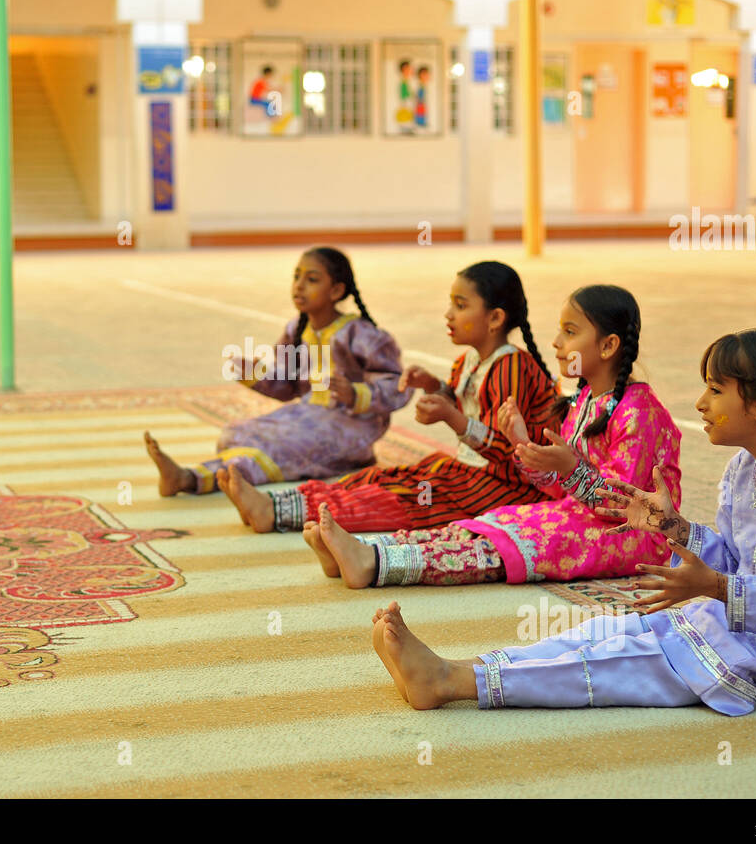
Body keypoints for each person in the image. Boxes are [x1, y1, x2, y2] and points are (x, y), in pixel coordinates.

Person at [370, 329, 756, 716]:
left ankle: (453, 682)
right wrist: (674, 527)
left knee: (627, 662)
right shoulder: (743, 468)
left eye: (716, 391)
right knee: (606, 630)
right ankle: (471, 666)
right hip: (744, 618)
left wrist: (716, 587)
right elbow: (734, 556)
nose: (701, 404)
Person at [311, 285, 680, 588]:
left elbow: (629, 507)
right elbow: (556, 488)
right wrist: (525, 447)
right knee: (493, 523)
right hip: (576, 514)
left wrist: (570, 469)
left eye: (570, 332)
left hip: (633, 536)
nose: (555, 343)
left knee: (513, 543)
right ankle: (364, 548)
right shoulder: (583, 400)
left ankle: (374, 564)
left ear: (608, 345)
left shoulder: (639, 412)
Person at [223, 261, 557, 538]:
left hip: (505, 486)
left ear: (495, 318)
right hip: (471, 469)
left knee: (408, 499)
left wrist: (450, 417)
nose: (448, 315)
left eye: (460, 305)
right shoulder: (468, 361)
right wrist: (433, 386)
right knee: (382, 476)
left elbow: (508, 449)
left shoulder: (512, 366)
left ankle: (279, 513)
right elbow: (465, 403)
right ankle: (281, 502)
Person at [145, 246, 411, 500]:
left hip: (351, 425)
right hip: (309, 414)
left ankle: (191, 479)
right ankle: (203, 475)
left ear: (337, 290)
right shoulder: (296, 328)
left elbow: (398, 385)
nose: (299, 285)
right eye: (296, 277)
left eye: (312, 279)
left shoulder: (361, 334)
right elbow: (287, 387)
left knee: (278, 449)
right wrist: (256, 374)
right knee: (235, 434)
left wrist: (355, 393)